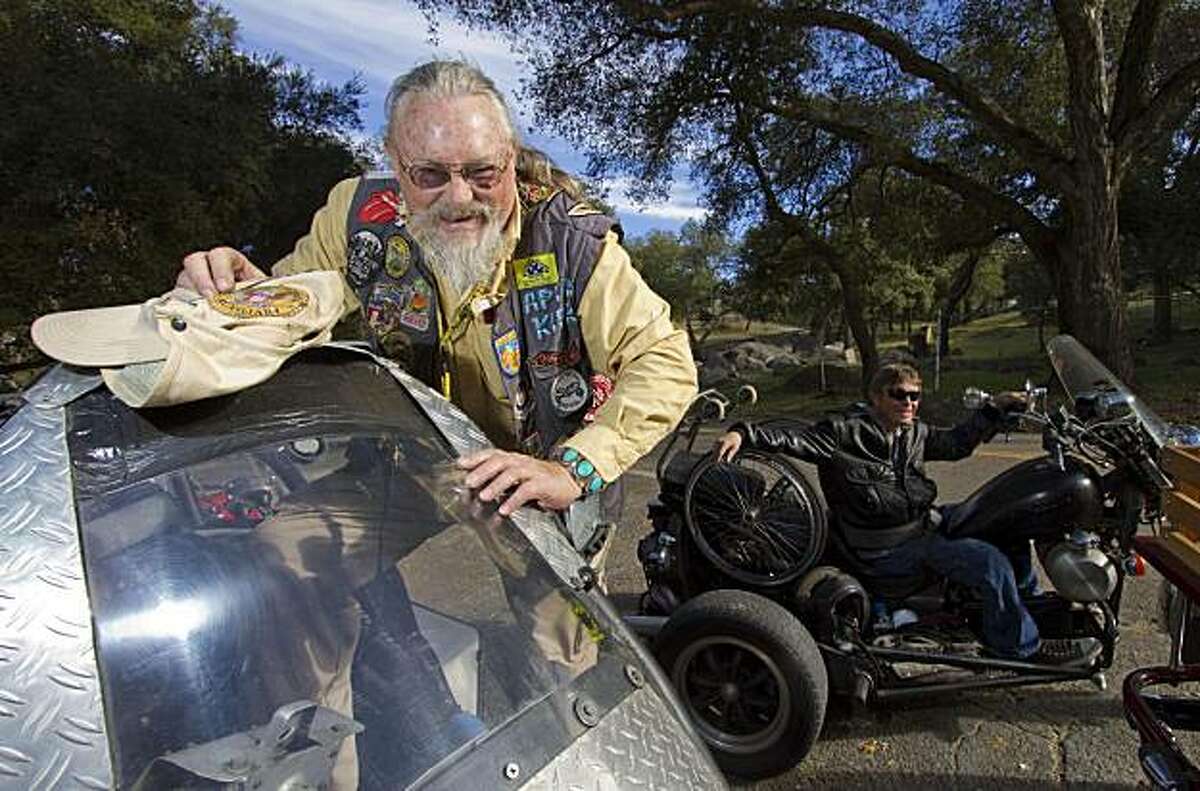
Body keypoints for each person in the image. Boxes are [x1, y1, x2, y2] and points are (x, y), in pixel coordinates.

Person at [176, 59, 697, 553]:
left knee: (563, 642)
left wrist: (572, 470)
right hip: (411, 461)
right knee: (292, 554)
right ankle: (390, 639)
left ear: (510, 159)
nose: (458, 198)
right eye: (429, 175)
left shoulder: (573, 243)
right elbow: (287, 313)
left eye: (482, 174)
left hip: (538, 477)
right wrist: (230, 293)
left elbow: (664, 362)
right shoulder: (357, 218)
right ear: (394, 162)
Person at [715, 362, 1101, 668]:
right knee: (989, 563)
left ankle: (1026, 610)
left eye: (914, 396)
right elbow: (792, 437)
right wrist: (743, 433)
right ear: (875, 397)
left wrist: (993, 409)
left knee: (1007, 523)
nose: (909, 403)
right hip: (888, 548)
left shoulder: (913, 434)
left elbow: (956, 442)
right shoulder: (844, 433)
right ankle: (1021, 650)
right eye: (898, 395)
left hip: (923, 524)